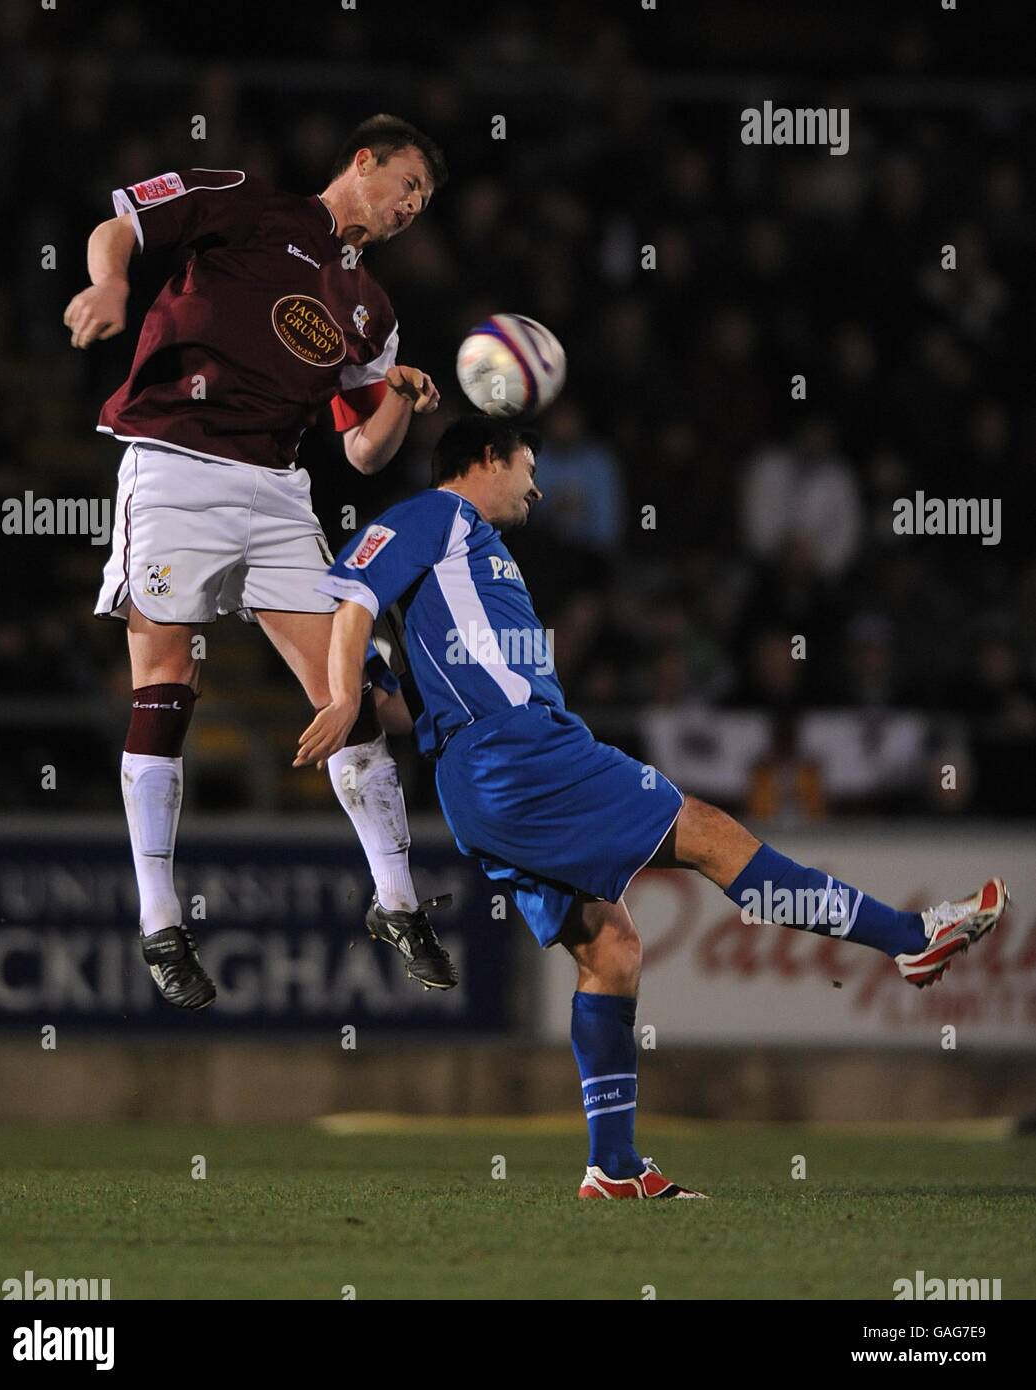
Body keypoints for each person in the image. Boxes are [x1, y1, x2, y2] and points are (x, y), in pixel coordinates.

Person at [296, 416, 1008, 1200]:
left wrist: (368, 697)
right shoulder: (437, 513)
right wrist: (339, 696)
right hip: (514, 753)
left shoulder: (470, 559)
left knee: (612, 948)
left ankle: (613, 1166)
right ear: (484, 461)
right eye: (527, 468)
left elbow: (399, 702)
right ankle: (908, 937)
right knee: (707, 833)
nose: (536, 487)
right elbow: (352, 593)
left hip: (484, 771)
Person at [63, 114, 458, 1009]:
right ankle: (160, 919)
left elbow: (362, 455)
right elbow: (114, 227)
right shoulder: (245, 202)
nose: (411, 209)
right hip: (175, 463)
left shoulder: (375, 311)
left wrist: (399, 399)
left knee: (347, 686)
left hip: (278, 488)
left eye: (424, 204)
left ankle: (396, 900)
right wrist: (109, 289)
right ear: (365, 162)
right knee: (166, 681)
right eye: (408, 188)